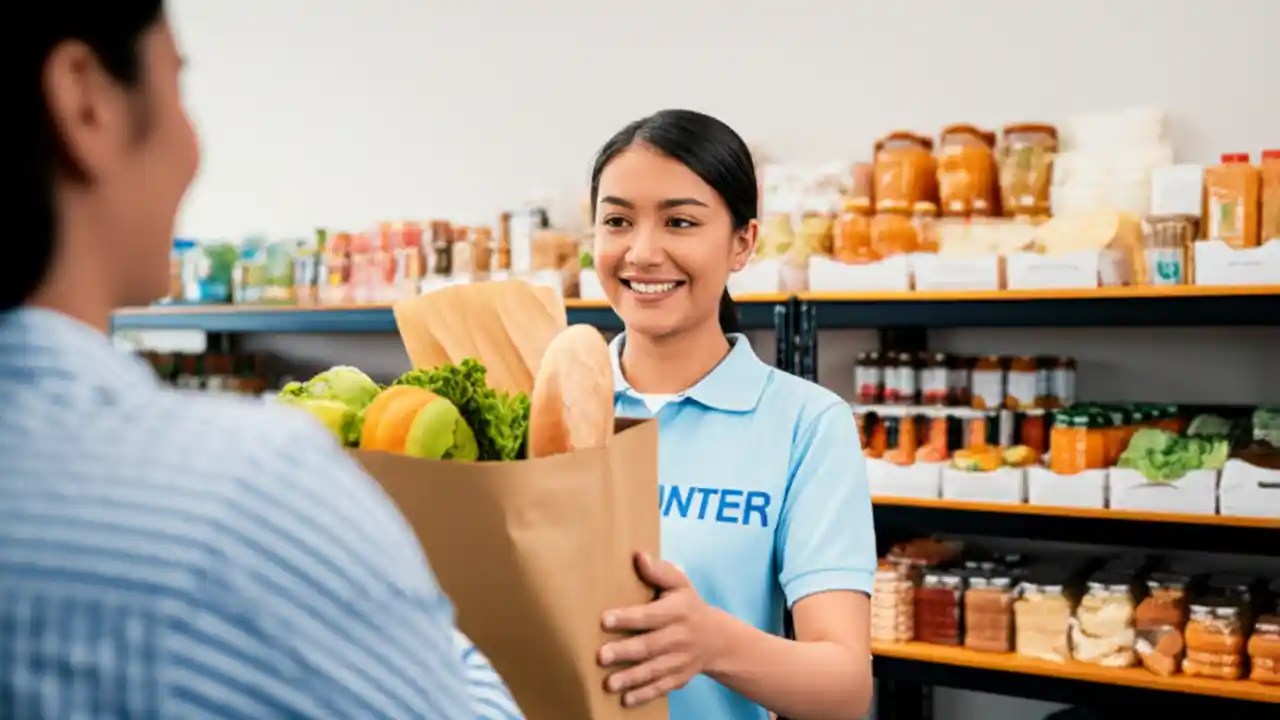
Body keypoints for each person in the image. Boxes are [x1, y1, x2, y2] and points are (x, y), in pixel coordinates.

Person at [2, 4, 521, 718]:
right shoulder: (250, 498)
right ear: (84, 101)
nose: (191, 142)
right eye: (176, 84)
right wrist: (409, 601)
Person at [590, 109, 876, 720]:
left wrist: (713, 643)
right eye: (617, 221)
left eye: (680, 222)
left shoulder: (807, 423)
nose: (642, 252)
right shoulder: (548, 410)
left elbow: (846, 689)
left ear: (742, 243)